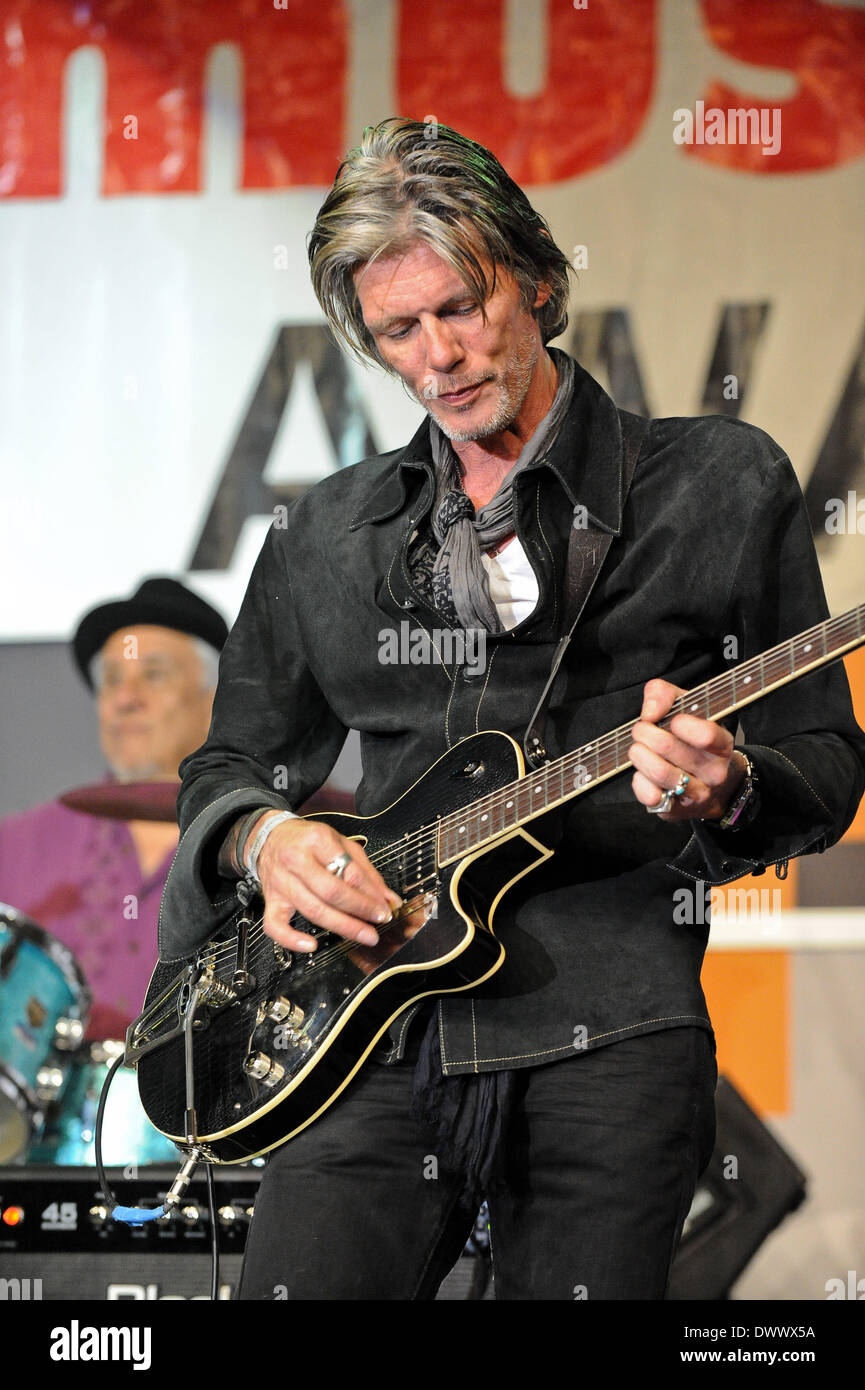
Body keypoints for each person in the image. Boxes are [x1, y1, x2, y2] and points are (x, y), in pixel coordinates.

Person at [161, 119, 865, 1300]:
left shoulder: (715, 484)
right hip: (364, 1036)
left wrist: (731, 785)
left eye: (462, 306)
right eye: (398, 329)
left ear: (538, 281)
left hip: (609, 1029)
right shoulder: (324, 535)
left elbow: (826, 762)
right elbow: (231, 763)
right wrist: (264, 836)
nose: (438, 355)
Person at [0, 578, 227, 1039]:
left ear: (217, 696)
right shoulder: (15, 846)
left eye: (155, 675)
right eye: (112, 681)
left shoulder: (270, 841)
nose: (125, 699)